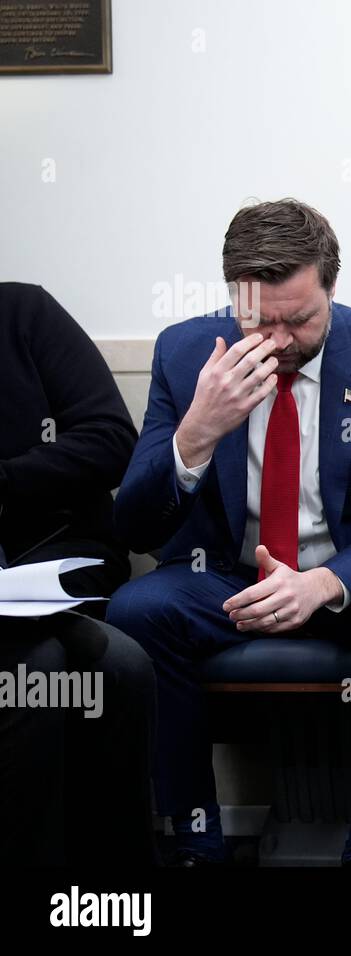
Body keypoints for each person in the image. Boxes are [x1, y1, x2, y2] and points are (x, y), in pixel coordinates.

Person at [107, 200, 351, 866]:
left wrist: (323, 584)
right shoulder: (186, 356)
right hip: (229, 579)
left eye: (298, 318)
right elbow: (134, 528)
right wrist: (196, 434)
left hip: (349, 581)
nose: (278, 338)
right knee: (136, 610)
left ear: (331, 288)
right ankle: (195, 838)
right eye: (257, 319)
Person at [0, 282, 156, 866]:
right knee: (40, 669)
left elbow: (112, 440)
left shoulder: (23, 313)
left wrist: (9, 481)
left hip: (49, 561)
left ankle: (117, 899)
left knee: (124, 667)